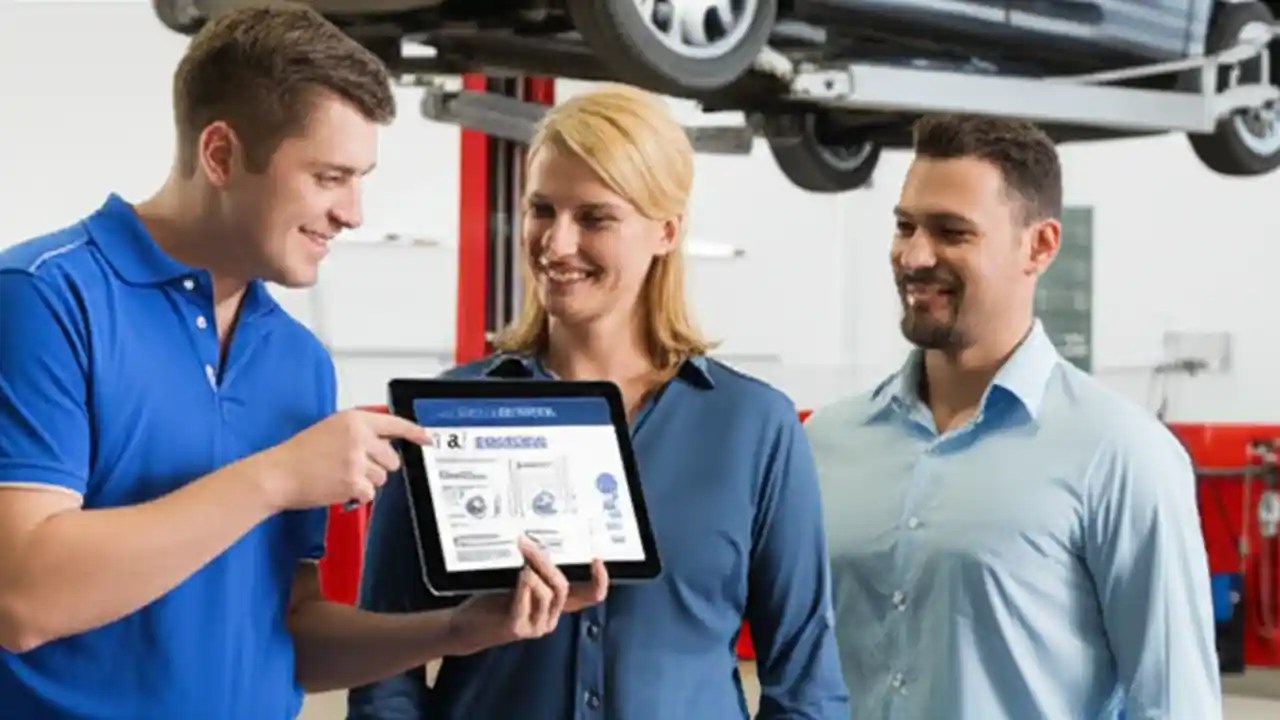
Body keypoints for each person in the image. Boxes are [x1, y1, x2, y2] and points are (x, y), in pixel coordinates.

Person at [0, 5, 606, 719]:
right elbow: (23, 598)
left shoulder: (298, 361)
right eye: (329, 176)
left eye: (360, 178)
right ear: (220, 155)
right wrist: (279, 476)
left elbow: (290, 633)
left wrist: (458, 630)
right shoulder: (43, 299)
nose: (353, 211)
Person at [347, 83, 850, 720]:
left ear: (665, 231)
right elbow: (383, 674)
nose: (557, 244)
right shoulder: (442, 418)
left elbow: (805, 683)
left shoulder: (754, 428)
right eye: (542, 210)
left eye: (595, 218)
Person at [804, 113, 1222, 719]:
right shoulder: (828, 443)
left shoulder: (1121, 456)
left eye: (952, 232)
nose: (915, 256)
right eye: (905, 226)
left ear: (1040, 245)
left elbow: (1173, 703)